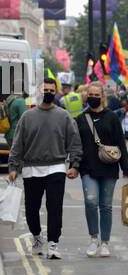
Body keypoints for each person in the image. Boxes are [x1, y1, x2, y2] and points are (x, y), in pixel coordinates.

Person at [6, 75, 81, 258]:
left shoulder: (63, 116)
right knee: (31, 208)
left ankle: (53, 244)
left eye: (51, 91)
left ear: (56, 92)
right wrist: (13, 168)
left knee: (55, 207)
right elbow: (17, 145)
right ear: (39, 91)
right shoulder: (27, 116)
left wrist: (74, 164)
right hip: (32, 169)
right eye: (45, 90)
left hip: (56, 167)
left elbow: (74, 142)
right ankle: (37, 237)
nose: (48, 93)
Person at [75, 81, 128, 257]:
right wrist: (74, 166)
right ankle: (94, 239)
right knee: (91, 202)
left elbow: (120, 142)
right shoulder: (80, 118)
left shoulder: (112, 117)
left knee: (106, 206)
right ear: (86, 96)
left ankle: (105, 242)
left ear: (102, 97)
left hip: (109, 168)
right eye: (90, 95)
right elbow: (75, 145)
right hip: (87, 167)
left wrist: (126, 167)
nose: (93, 98)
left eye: (96, 95)